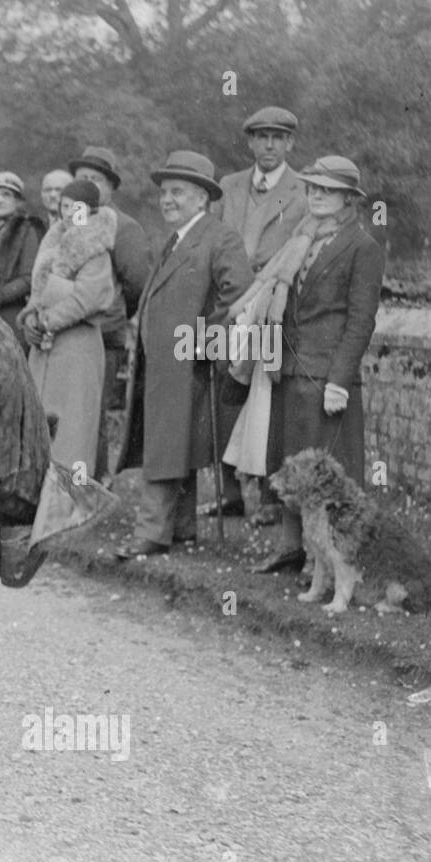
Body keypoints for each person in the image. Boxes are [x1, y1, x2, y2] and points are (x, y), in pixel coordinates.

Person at [114, 151, 252, 560]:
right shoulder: (174, 239)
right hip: (161, 362)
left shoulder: (219, 236)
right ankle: (183, 527)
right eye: (164, 192)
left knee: (166, 444)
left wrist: (206, 341)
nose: (167, 200)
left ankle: (152, 533)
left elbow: (240, 293)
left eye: (177, 192)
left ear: (201, 198)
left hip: (185, 360)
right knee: (177, 442)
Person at [251, 157, 384, 574]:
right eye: (312, 188)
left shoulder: (364, 247)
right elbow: (281, 307)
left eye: (327, 189)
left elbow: (361, 321)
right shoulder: (300, 240)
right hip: (291, 372)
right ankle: (293, 549)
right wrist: (273, 359)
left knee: (329, 474)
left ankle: (327, 559)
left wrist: (339, 380)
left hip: (326, 377)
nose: (317, 195)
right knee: (291, 465)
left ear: (349, 199)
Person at [211, 107, 309, 527]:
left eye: (278, 137)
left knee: (267, 392)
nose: (269, 145)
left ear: (289, 144)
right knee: (223, 386)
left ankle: (271, 495)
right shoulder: (228, 187)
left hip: (270, 307)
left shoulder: (304, 190)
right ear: (250, 142)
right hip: (228, 300)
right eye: (261, 137)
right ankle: (229, 493)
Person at [67, 146, 154, 477]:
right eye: (82, 178)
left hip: (104, 335)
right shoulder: (71, 221)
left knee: (94, 412)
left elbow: (137, 284)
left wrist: (112, 313)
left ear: (111, 187)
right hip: (68, 332)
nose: (88, 185)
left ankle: (97, 481)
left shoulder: (124, 226)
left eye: (96, 179)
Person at [20, 178, 117, 473]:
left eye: (76, 208)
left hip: (77, 347)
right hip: (44, 349)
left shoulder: (95, 247)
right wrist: (30, 319)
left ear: (91, 211)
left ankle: (68, 506)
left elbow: (88, 297)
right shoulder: (52, 240)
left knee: (73, 431)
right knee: (40, 425)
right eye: (64, 206)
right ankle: (41, 503)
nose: (68, 213)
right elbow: (38, 292)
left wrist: (48, 320)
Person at [0, 170, 43, 338]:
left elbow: (28, 278)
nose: (0, 199)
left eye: (7, 195)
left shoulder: (26, 230)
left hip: (8, 315)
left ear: (18, 201)